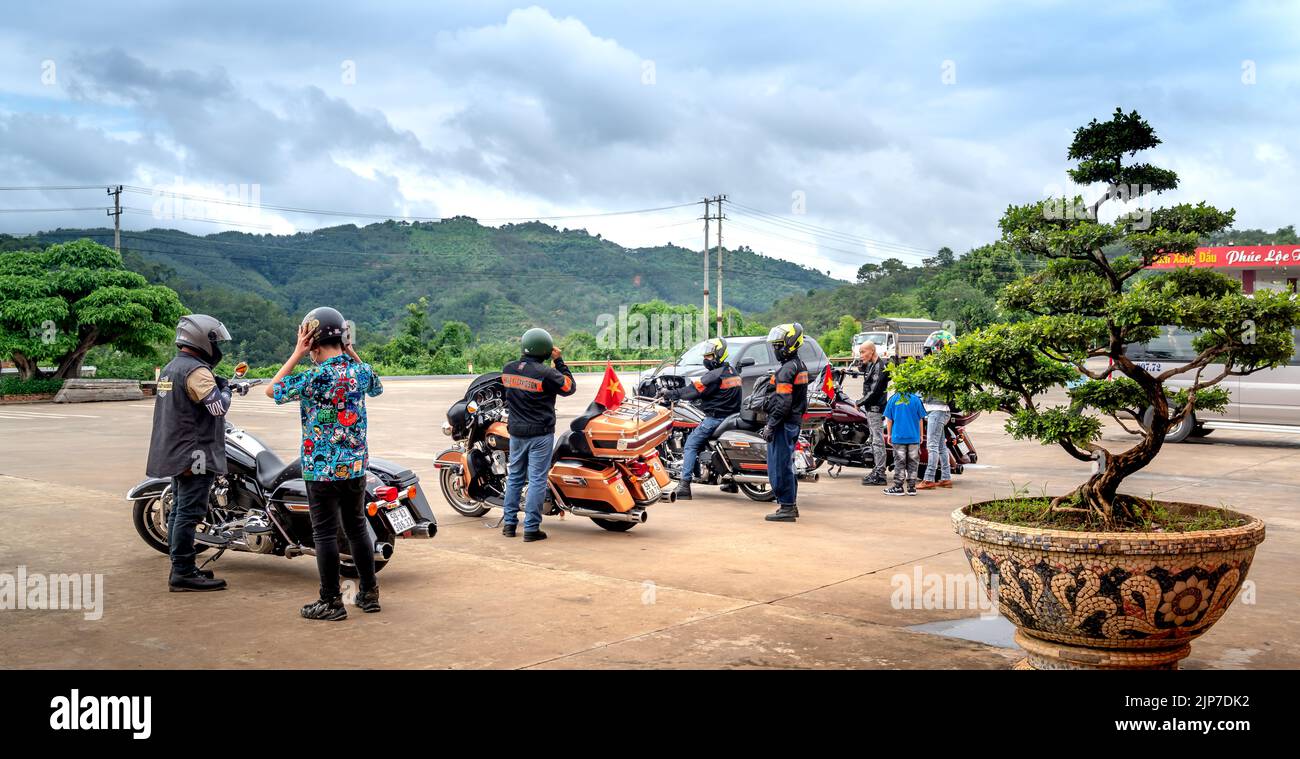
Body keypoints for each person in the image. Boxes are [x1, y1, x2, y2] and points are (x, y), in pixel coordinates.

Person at [267, 307, 384, 621]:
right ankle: (369, 593)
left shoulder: (314, 376)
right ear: (344, 339)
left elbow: (272, 390)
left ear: (312, 344)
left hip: (321, 469)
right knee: (357, 527)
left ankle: (331, 601)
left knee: (325, 534)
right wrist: (350, 352)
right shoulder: (361, 372)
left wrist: (295, 353)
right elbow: (377, 387)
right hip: (356, 467)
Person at [146, 315, 239, 592]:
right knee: (189, 512)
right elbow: (218, 408)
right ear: (202, 340)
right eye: (215, 341)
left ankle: (182, 567)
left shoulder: (171, 368)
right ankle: (183, 573)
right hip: (195, 455)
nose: (218, 347)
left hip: (176, 449)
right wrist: (225, 388)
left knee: (179, 511)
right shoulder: (196, 372)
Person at [500, 328, 576, 542]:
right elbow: (569, 387)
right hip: (540, 434)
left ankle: (509, 524)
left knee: (514, 477)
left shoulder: (508, 369)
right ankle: (531, 529)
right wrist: (559, 361)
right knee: (536, 480)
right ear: (545, 350)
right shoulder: (547, 374)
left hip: (516, 432)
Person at [661, 337, 742, 499]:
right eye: (705, 357)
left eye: (709, 356)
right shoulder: (732, 371)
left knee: (690, 445)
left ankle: (684, 485)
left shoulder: (713, 376)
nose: (706, 360)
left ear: (719, 355)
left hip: (716, 418)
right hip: (732, 417)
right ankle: (731, 483)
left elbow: (693, 390)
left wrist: (671, 394)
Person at [761, 323, 809, 522]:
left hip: (783, 423)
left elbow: (783, 403)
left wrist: (771, 425)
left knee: (779, 466)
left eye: (778, 345)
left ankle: (787, 507)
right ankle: (790, 505)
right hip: (793, 422)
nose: (775, 349)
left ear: (789, 344)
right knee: (786, 464)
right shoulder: (799, 365)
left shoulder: (787, 370)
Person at [918, 333, 958, 490]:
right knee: (941, 446)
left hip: (937, 410)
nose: (927, 355)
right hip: (941, 410)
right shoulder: (948, 369)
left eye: (929, 351)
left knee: (932, 446)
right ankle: (946, 478)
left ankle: (928, 479)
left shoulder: (939, 370)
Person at [855, 341, 889, 487]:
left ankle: (880, 473)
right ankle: (877, 469)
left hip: (875, 408)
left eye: (863, 352)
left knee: (877, 440)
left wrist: (859, 402)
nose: (861, 355)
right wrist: (861, 362)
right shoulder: (872, 365)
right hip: (872, 408)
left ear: (872, 351)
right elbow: (863, 373)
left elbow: (874, 391)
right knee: (875, 439)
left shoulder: (880, 367)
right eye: (860, 352)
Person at [882, 386, 926, 496]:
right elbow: (921, 419)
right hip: (913, 437)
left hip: (898, 436)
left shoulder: (893, 399)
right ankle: (911, 487)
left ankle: (898, 487)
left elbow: (889, 420)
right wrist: (921, 435)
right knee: (913, 462)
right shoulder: (916, 399)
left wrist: (889, 435)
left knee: (899, 462)